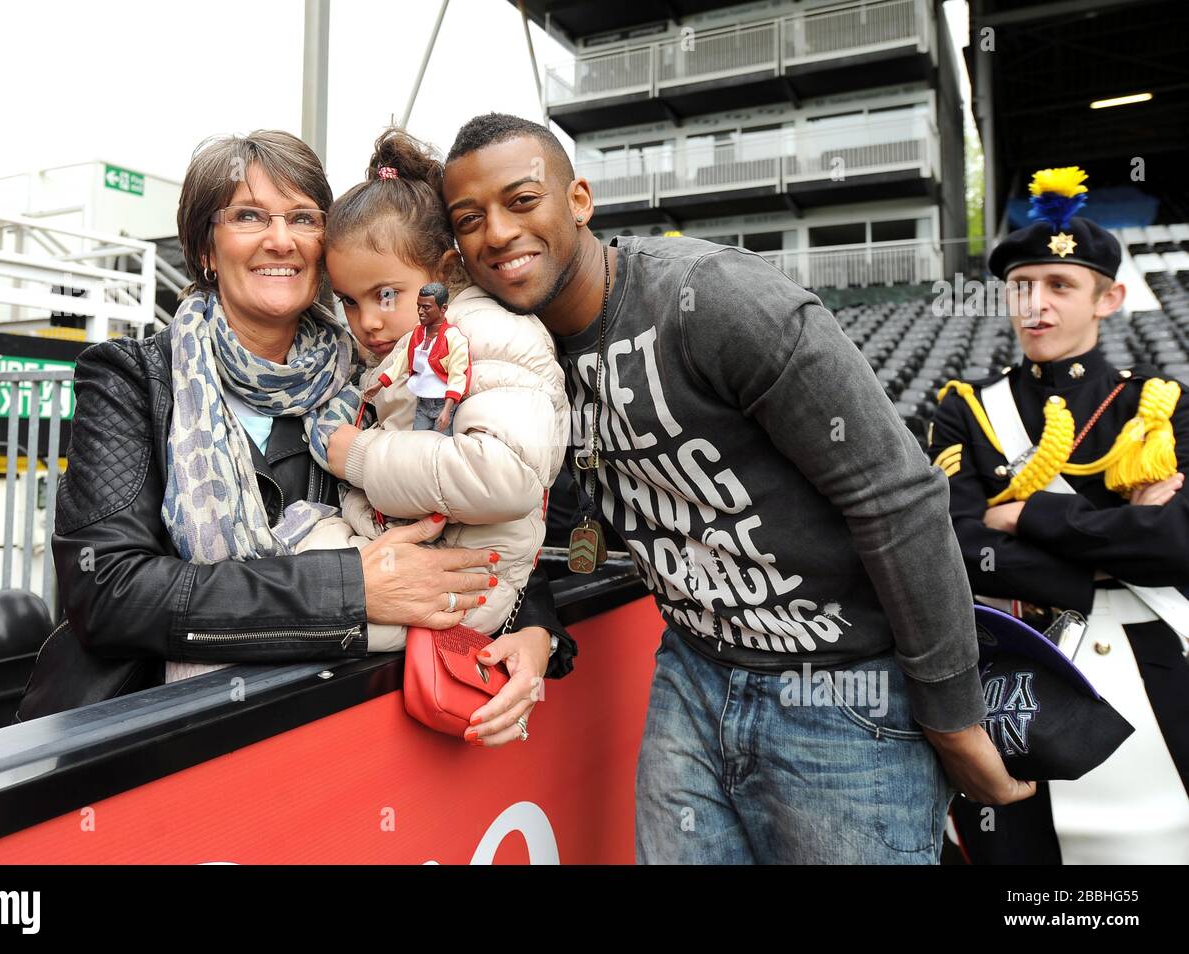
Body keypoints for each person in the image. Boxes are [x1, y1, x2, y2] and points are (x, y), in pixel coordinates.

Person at [438, 112, 1033, 864]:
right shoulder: (518, 357)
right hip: (693, 673)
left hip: (842, 690)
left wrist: (952, 714)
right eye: (470, 218)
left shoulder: (712, 298)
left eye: (522, 200)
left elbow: (896, 492)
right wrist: (537, 623)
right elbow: (539, 529)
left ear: (579, 199)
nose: (496, 232)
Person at [19, 130, 573, 746]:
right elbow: (110, 590)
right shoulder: (135, 379)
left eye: (303, 218)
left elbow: (471, 497)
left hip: (343, 738)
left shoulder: (375, 367)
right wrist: (350, 588)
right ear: (206, 246)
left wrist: (536, 630)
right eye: (249, 216)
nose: (279, 239)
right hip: (156, 739)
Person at [931, 166, 1189, 863]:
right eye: (1022, 287)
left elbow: (1178, 542)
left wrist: (1025, 517)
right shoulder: (965, 408)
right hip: (1025, 670)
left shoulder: (1161, 404)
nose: (1035, 305)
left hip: (1164, 664)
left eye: (1059, 286)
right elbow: (954, 544)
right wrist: (1109, 555)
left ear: (1110, 298)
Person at [286, 131, 570, 719]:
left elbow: (505, 474)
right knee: (289, 564)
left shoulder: (484, 336)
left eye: (386, 294)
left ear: (443, 276)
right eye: (350, 301)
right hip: (430, 568)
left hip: (462, 590)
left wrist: (358, 457)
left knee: (284, 598)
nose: (368, 321)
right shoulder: (401, 353)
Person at [363, 282, 470, 433]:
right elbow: (400, 362)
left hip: (443, 403)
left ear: (443, 308)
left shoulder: (454, 338)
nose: (420, 311)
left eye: (426, 307)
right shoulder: (418, 334)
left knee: (437, 445)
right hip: (422, 402)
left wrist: (447, 410)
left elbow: (457, 376)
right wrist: (379, 385)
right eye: (418, 306)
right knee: (416, 442)